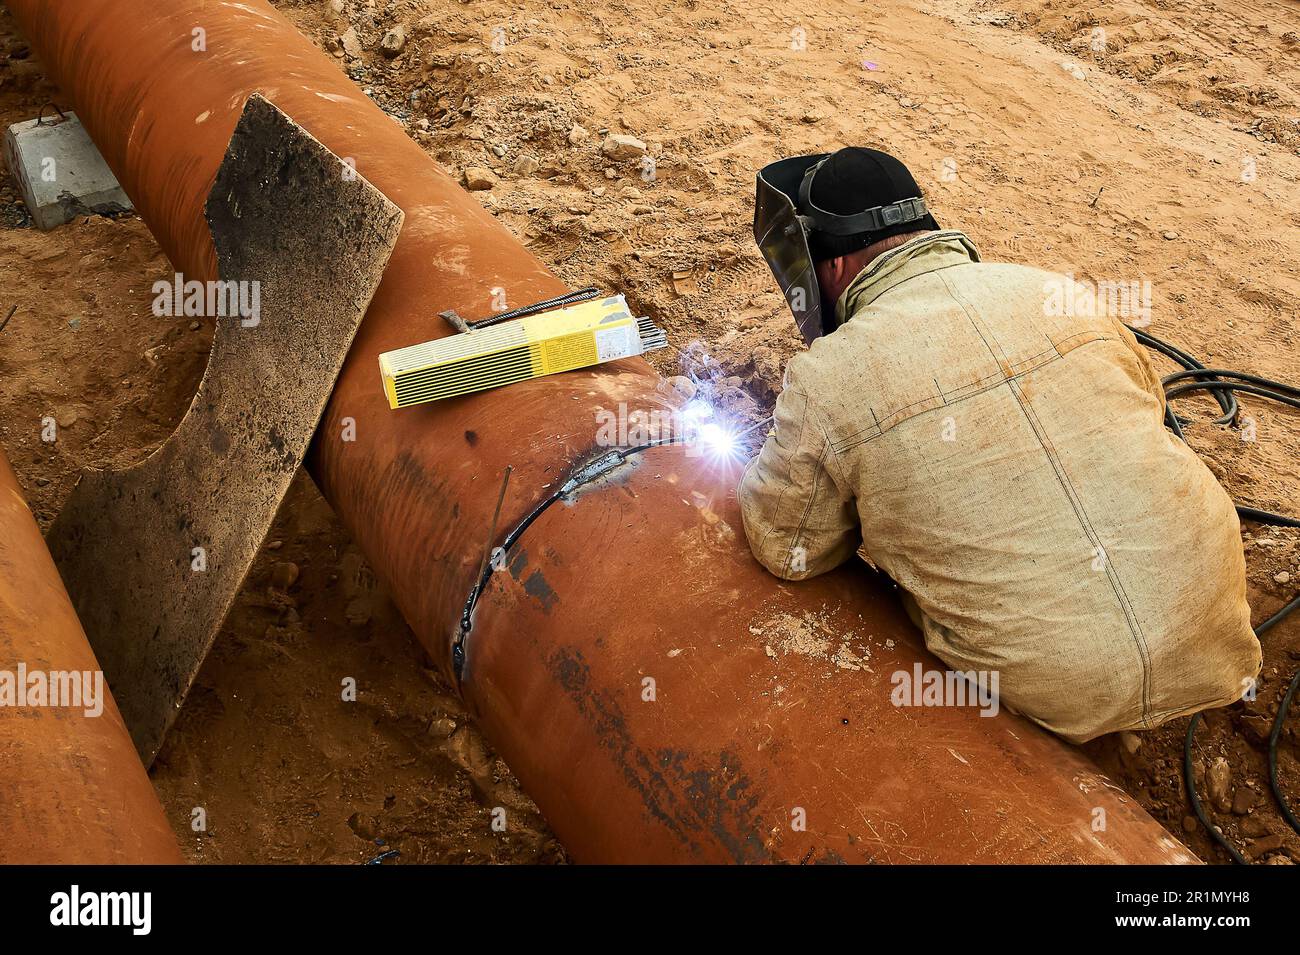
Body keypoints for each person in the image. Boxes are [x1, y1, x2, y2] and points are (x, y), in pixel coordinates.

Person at [740, 146, 1261, 742]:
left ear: (830, 267)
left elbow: (787, 548)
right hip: (1212, 622)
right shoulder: (1053, 291)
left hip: (1055, 688)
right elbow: (1152, 411)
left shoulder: (831, 375)